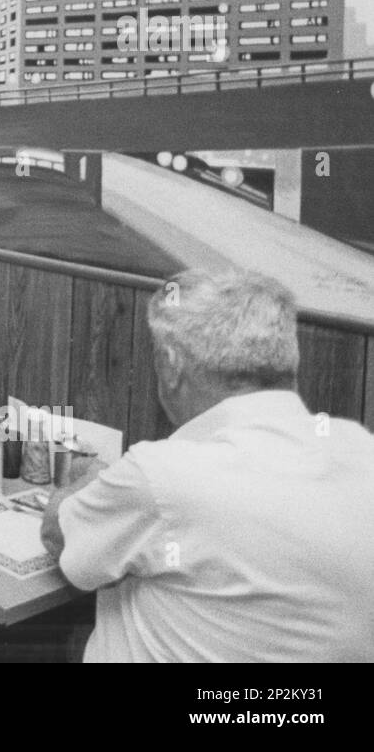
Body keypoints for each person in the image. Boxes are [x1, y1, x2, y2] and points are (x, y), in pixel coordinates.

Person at [42, 269, 374, 663]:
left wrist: (91, 477)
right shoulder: (362, 448)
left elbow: (58, 531)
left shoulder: (163, 476)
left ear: (170, 363)